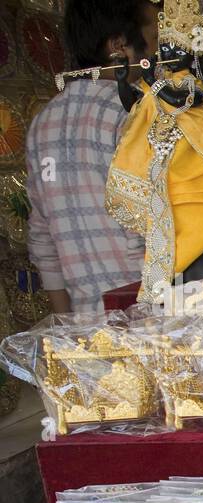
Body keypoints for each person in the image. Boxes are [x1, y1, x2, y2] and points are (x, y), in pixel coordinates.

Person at [26, 0, 156, 314]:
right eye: (153, 40)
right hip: (151, 323)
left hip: (87, 333)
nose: (156, 55)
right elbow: (154, 229)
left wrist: (68, 328)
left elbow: (43, 238)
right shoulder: (136, 113)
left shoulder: (42, 123)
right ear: (119, 45)